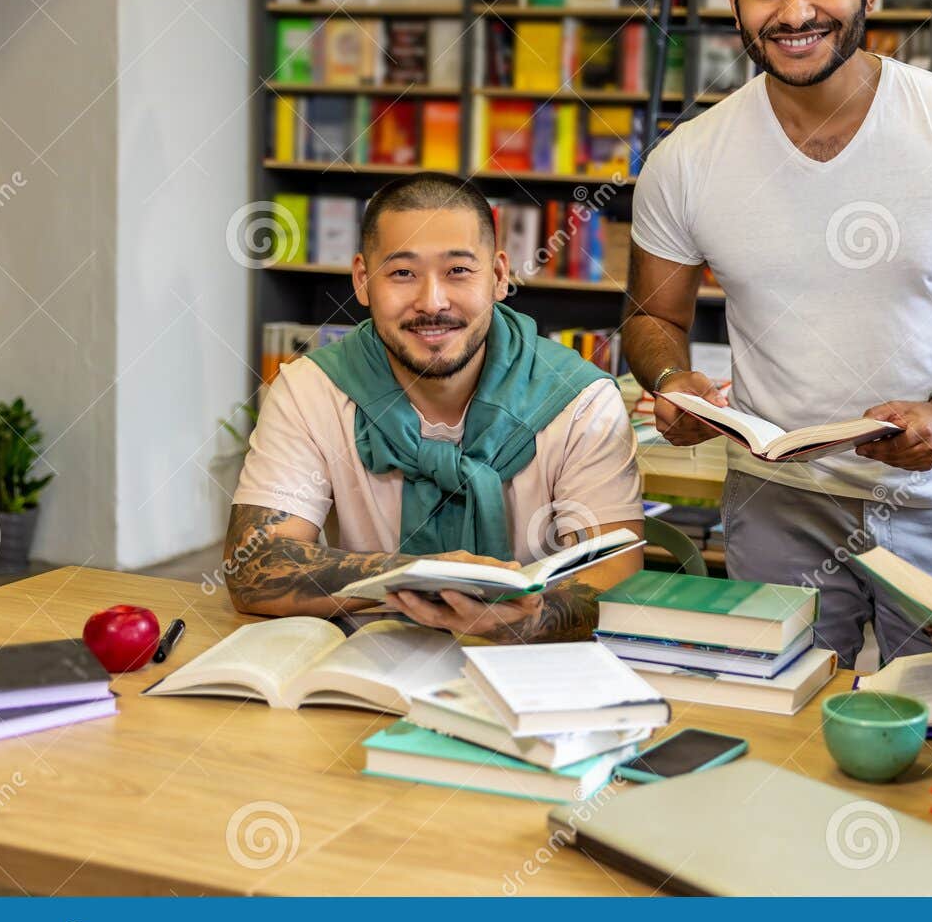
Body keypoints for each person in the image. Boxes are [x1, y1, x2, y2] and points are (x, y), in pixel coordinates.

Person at [624, 0, 932, 667]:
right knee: (782, 717)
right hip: (773, 497)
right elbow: (652, 319)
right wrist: (671, 376)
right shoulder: (687, 159)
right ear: (733, 1)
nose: (795, 12)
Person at [224, 172, 645, 643]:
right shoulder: (311, 388)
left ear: (500, 276)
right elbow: (255, 568)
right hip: (366, 666)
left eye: (458, 271)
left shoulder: (580, 400)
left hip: (534, 675)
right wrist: (425, 574)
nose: (432, 302)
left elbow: (616, 585)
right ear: (363, 280)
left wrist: (523, 619)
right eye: (402, 273)